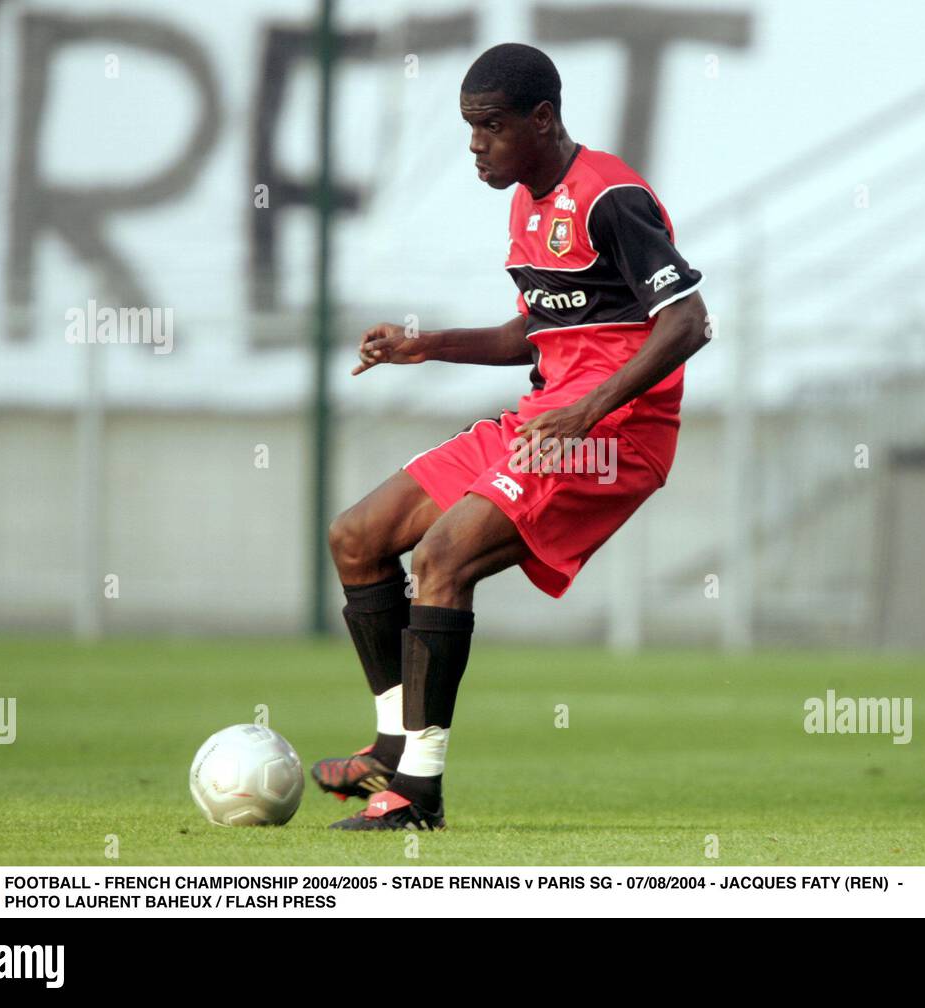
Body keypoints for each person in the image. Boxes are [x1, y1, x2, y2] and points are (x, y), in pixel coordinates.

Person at [313, 43, 710, 830]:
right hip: (545, 416)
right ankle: (393, 748)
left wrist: (588, 411)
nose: (475, 145)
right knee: (358, 536)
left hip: (609, 432)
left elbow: (689, 322)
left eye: (489, 127)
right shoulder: (528, 203)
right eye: (468, 128)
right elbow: (533, 330)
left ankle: (417, 791)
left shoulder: (610, 196)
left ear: (543, 119)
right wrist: (421, 345)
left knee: (440, 559)